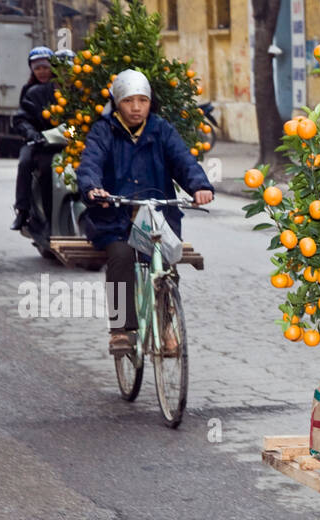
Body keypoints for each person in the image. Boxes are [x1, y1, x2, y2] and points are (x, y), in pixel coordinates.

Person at [76, 69, 214, 355]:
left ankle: (166, 326)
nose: (136, 107)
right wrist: (93, 189)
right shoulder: (104, 130)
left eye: (142, 100)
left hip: (155, 217)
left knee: (166, 260)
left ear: (151, 102)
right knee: (121, 256)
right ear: (117, 102)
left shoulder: (160, 129)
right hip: (115, 217)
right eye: (128, 101)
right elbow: (90, 163)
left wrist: (199, 185)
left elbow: (184, 160)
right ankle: (119, 329)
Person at [9, 47, 58, 231]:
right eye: (38, 68)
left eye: (46, 67)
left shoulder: (64, 91)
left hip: (62, 142)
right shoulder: (30, 91)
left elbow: (74, 120)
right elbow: (22, 119)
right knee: (25, 163)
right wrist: (33, 135)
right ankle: (23, 210)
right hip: (37, 142)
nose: (42, 72)